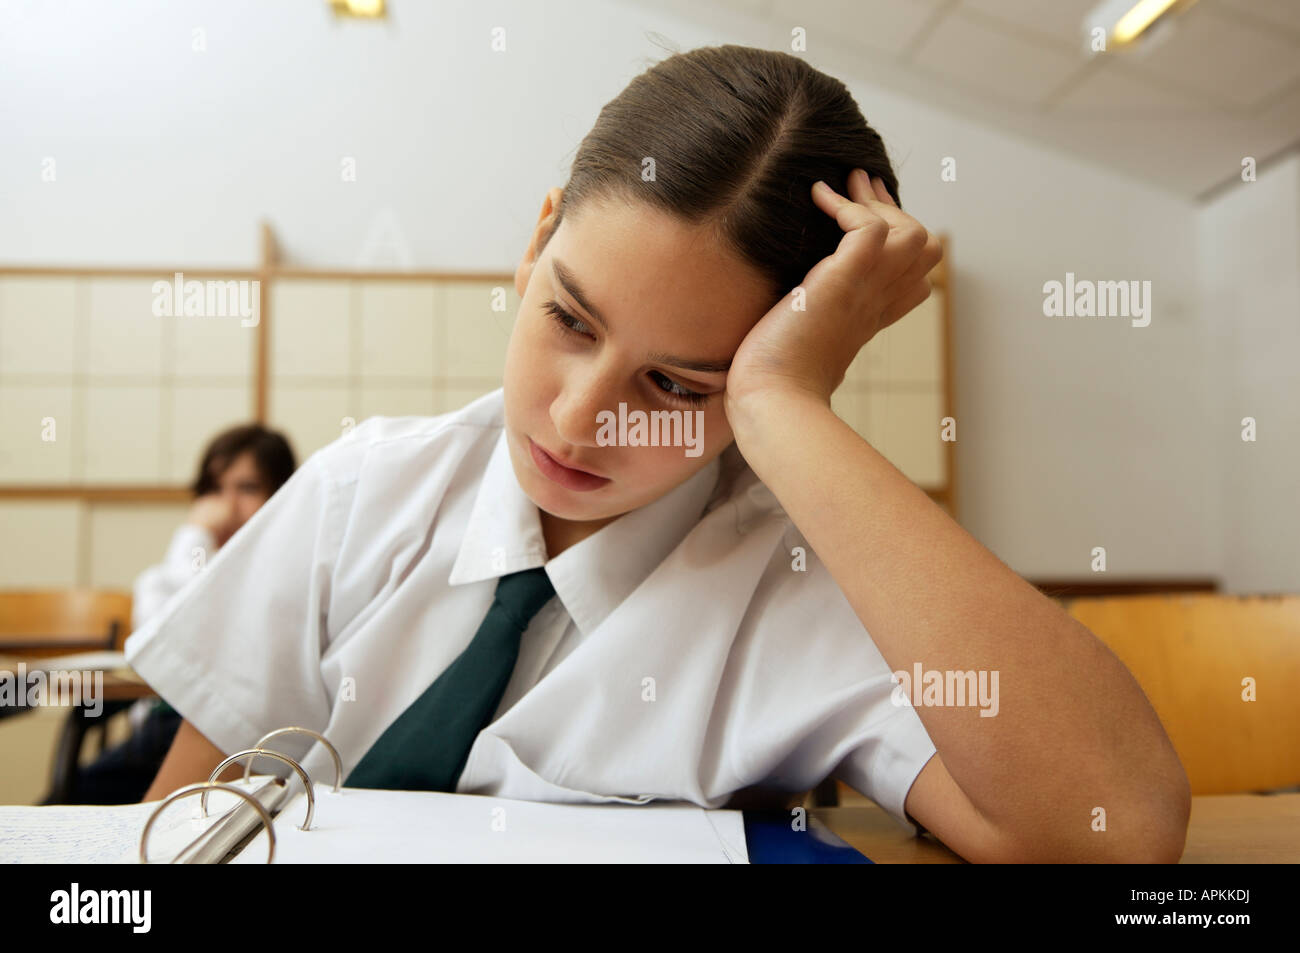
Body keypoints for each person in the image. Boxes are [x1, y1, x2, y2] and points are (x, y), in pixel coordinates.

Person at [125, 45, 1190, 862]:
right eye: (570, 320)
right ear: (536, 241)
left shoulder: (803, 592)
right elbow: (178, 831)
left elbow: (1114, 829)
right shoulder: (364, 489)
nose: (582, 419)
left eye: (680, 385)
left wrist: (785, 406)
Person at [59, 424, 295, 804]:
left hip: (248, 738)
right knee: (67, 802)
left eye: (247, 488)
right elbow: (169, 643)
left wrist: (194, 538)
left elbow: (207, 638)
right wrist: (195, 539)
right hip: (162, 729)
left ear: (283, 495)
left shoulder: (289, 571)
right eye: (214, 490)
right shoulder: (161, 579)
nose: (226, 507)